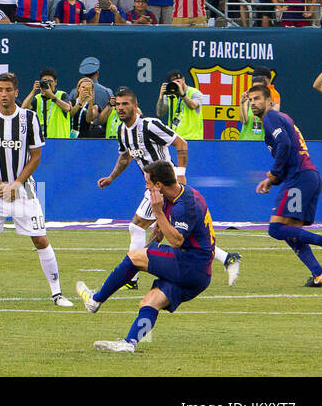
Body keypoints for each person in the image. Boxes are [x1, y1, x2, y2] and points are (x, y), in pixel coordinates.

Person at [99, 87, 240, 285]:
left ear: (135, 106)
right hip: (153, 187)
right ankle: (227, 258)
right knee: (162, 232)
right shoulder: (122, 130)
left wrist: (180, 178)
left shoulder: (150, 125)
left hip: (166, 186)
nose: (121, 108)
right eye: (118, 104)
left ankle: (131, 273)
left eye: (125, 104)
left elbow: (181, 144)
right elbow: (125, 156)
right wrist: (111, 177)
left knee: (138, 226)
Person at [75, 161, 216, 353]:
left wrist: (158, 213)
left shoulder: (185, 204)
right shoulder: (176, 194)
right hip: (199, 274)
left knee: (135, 257)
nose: (146, 187)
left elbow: (176, 241)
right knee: (150, 302)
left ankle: (96, 299)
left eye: (148, 183)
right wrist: (160, 225)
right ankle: (129, 343)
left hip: (190, 263)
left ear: (159, 185)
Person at [0, 72, 73, 308]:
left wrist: (16, 183)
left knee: (40, 239)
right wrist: (0, 183)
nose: (3, 94)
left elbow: (36, 156)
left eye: (8, 90)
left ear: (16, 92)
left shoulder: (28, 118)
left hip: (24, 188)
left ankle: (57, 293)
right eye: (0, 90)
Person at [247, 84, 322, 287]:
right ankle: (319, 274)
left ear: (269, 101)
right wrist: (272, 180)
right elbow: (289, 150)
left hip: (300, 178)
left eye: (257, 99)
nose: (253, 103)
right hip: (307, 177)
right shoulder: (283, 118)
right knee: (291, 233)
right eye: (251, 100)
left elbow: (285, 144)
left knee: (275, 229)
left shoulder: (271, 117)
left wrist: (272, 174)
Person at [157, 71, 203, 142]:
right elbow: (160, 113)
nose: (177, 84)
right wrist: (161, 96)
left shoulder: (195, 93)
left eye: (178, 81)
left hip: (193, 138)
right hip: (175, 138)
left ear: (183, 79)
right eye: (173, 82)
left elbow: (193, 106)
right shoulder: (170, 95)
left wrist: (183, 94)